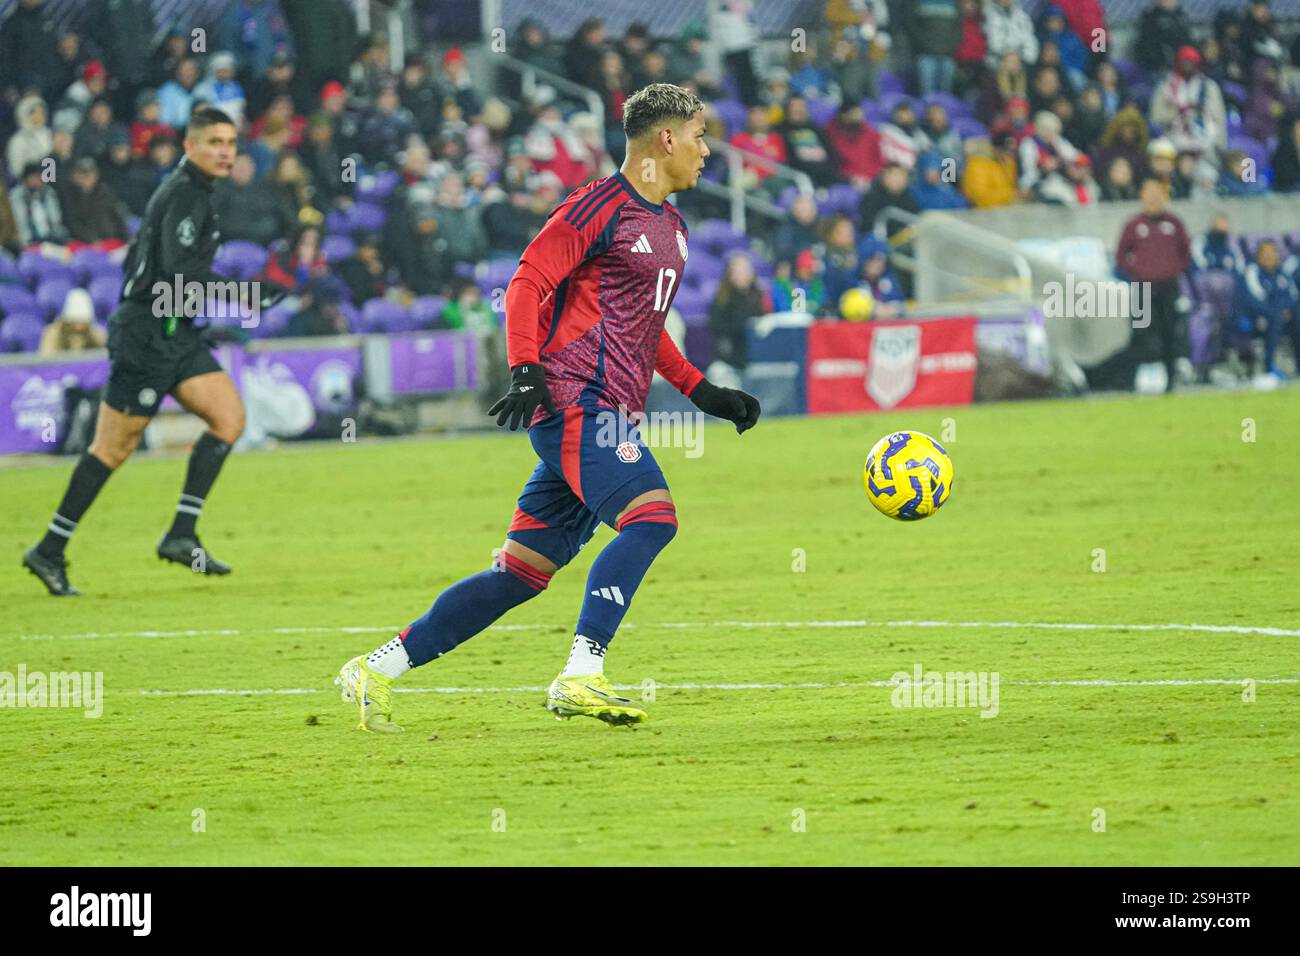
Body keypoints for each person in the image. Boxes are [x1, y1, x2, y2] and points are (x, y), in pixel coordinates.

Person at [336, 84, 760, 732]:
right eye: (700, 137)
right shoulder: (598, 206)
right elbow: (527, 282)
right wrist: (527, 369)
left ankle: (375, 669)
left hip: (606, 410)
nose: (708, 151)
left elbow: (645, 331)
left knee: (519, 574)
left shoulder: (671, 228)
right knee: (653, 518)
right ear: (666, 139)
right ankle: (581, 674)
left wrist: (703, 392)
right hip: (574, 402)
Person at [22, 108, 282, 596]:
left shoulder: (201, 193)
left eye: (231, 141)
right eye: (215, 142)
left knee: (228, 419)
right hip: (146, 334)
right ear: (190, 146)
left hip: (176, 332)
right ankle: (49, 549)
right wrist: (244, 294)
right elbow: (180, 272)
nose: (226, 150)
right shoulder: (183, 194)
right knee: (112, 449)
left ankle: (181, 534)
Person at [1115, 176, 1192, 392]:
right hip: (1142, 288)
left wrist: (1174, 270)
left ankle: (1170, 381)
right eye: (1148, 193)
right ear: (1142, 196)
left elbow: (1185, 252)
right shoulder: (1133, 225)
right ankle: (1135, 381)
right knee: (1140, 333)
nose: (1153, 197)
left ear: (1163, 195)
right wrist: (1137, 272)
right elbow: (1121, 255)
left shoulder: (1174, 223)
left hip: (1169, 287)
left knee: (1169, 333)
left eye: (1157, 192)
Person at [1236, 239, 1299, 377]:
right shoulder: (1252, 272)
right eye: (1266, 253)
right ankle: (1269, 366)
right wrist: (1279, 311)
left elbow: (1293, 297)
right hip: (1258, 319)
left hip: (1284, 317)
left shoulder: (1283, 274)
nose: (1270, 256)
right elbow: (1254, 300)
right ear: (1258, 256)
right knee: (1274, 318)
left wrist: (1287, 310)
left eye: (1273, 253)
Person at [40, 288, 106, 355]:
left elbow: (108, 354)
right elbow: (46, 360)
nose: (79, 326)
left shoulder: (95, 333)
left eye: (83, 322)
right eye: (75, 322)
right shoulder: (53, 333)